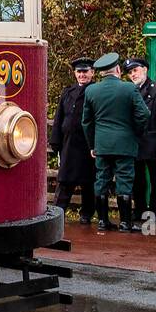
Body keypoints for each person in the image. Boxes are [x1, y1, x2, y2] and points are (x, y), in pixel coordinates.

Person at [81, 52, 150, 232]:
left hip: (102, 145)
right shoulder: (129, 88)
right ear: (118, 69)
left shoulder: (91, 90)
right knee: (124, 181)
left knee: (101, 180)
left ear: (100, 73)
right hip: (125, 144)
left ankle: (103, 221)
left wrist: (92, 145)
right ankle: (125, 223)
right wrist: (135, 133)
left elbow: (86, 122)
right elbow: (144, 114)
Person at [124, 57, 156, 228]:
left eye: (135, 70)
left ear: (145, 69)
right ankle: (140, 210)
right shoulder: (130, 91)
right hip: (135, 144)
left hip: (153, 144)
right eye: (130, 72)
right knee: (137, 180)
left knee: (155, 180)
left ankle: (155, 213)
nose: (132, 74)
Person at [50, 57, 96, 224]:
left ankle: (87, 214)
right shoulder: (67, 92)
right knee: (65, 179)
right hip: (68, 144)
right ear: (75, 73)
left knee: (88, 181)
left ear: (92, 72)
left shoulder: (95, 91)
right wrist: (55, 141)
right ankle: (58, 213)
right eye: (79, 72)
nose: (82, 75)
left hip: (87, 144)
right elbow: (59, 117)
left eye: (85, 71)